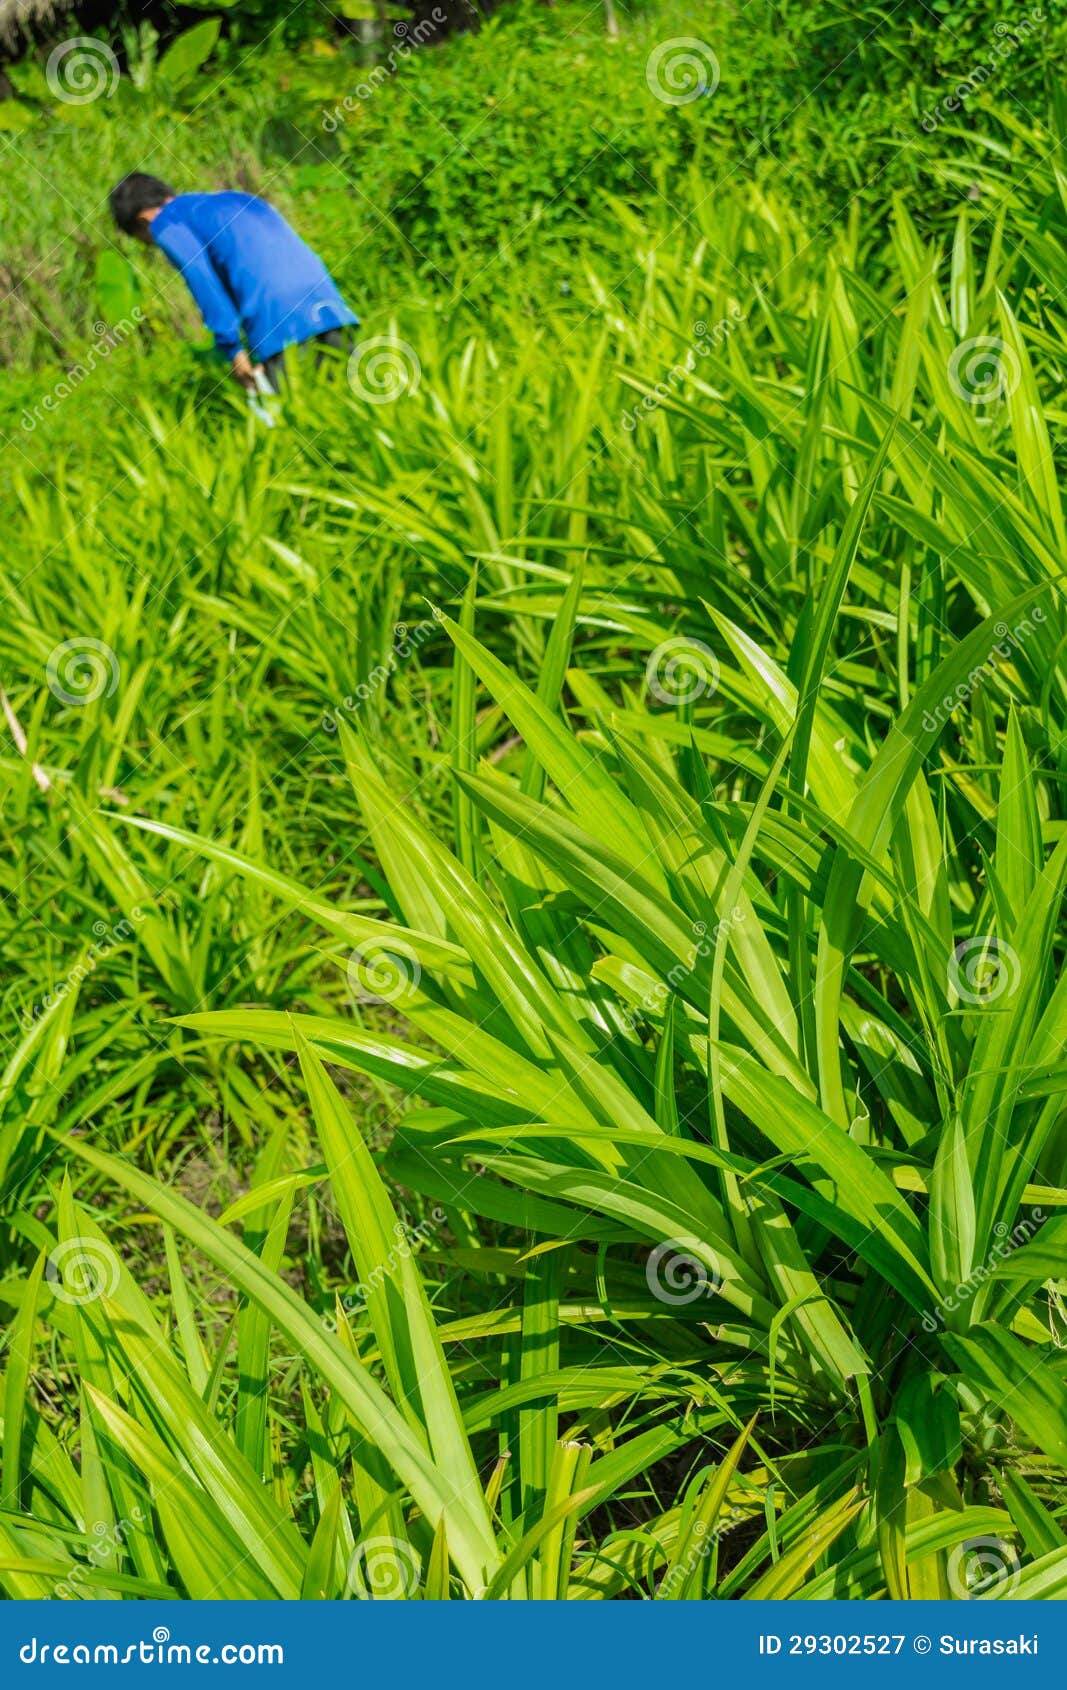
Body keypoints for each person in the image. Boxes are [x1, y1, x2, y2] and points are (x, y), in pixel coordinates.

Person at [109, 173, 358, 392]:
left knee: (289, 413)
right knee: (349, 393)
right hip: (327, 299)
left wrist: (233, 349)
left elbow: (202, 281)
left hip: (276, 311)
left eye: (144, 240)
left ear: (142, 221)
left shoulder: (166, 223)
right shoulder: (234, 198)